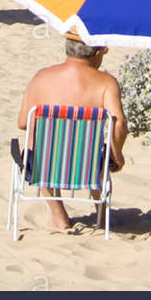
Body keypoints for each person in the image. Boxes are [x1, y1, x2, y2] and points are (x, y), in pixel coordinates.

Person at [16, 35, 128, 231]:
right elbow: (119, 124)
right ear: (97, 53)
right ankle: (102, 215)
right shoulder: (106, 83)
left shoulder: (41, 77)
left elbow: (23, 122)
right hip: (88, 166)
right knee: (98, 156)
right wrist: (116, 155)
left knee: (42, 148)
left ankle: (58, 217)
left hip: (44, 166)